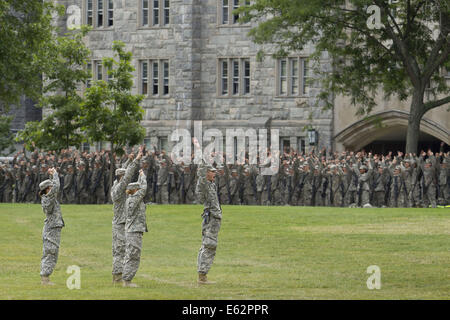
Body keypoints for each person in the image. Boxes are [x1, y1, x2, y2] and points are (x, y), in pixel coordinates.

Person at [110, 147, 142, 285]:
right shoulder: (119, 188)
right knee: (120, 250)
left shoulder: (117, 184)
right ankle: (118, 277)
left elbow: (123, 172)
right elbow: (127, 176)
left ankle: (119, 276)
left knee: (122, 250)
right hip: (120, 223)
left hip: (122, 222)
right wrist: (136, 160)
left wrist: (128, 160)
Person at [195, 160, 222, 285]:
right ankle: (202, 276)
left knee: (208, 245)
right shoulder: (204, 182)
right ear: (206, 173)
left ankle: (202, 274)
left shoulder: (211, 184)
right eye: (212, 171)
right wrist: (202, 155)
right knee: (209, 245)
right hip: (211, 218)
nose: (214, 173)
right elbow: (201, 174)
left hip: (214, 218)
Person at [38, 167, 65, 285]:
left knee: (50, 252)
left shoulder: (47, 197)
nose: (52, 188)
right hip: (52, 229)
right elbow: (57, 187)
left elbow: (54, 188)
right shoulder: (49, 197)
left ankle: (45, 278)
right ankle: (45, 279)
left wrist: (50, 175)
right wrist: (55, 174)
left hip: (52, 227)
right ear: (47, 189)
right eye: (50, 187)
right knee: (51, 252)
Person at [122, 169, 148, 287]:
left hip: (133, 231)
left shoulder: (132, 199)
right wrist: (143, 176)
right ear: (135, 191)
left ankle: (126, 279)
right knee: (133, 255)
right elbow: (143, 189)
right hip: (133, 231)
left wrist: (139, 177)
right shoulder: (134, 199)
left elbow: (140, 189)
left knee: (131, 254)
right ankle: (127, 280)